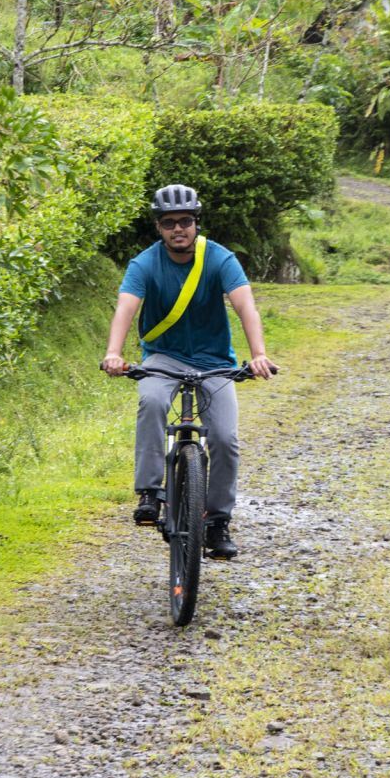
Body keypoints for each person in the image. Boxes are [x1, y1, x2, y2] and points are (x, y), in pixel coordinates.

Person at [101, 185, 278, 560]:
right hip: (163, 358)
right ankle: (150, 492)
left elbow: (246, 306)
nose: (178, 229)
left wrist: (258, 354)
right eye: (169, 223)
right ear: (158, 227)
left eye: (185, 221)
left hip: (216, 361)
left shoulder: (219, 259)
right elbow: (125, 309)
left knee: (226, 439)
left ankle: (216, 522)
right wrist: (114, 354)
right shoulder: (145, 264)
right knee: (150, 401)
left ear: (196, 223)